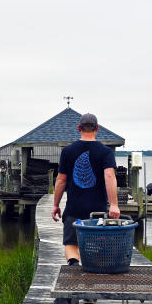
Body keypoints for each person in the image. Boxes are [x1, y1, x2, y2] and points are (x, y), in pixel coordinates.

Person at [51, 112, 120, 265]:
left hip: (74, 209)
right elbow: (110, 176)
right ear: (97, 128)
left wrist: (56, 205)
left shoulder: (67, 151)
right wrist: (114, 204)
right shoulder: (106, 152)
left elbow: (61, 180)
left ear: (79, 128)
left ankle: (74, 266)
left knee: (71, 244)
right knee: (98, 246)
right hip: (98, 210)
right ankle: (94, 270)